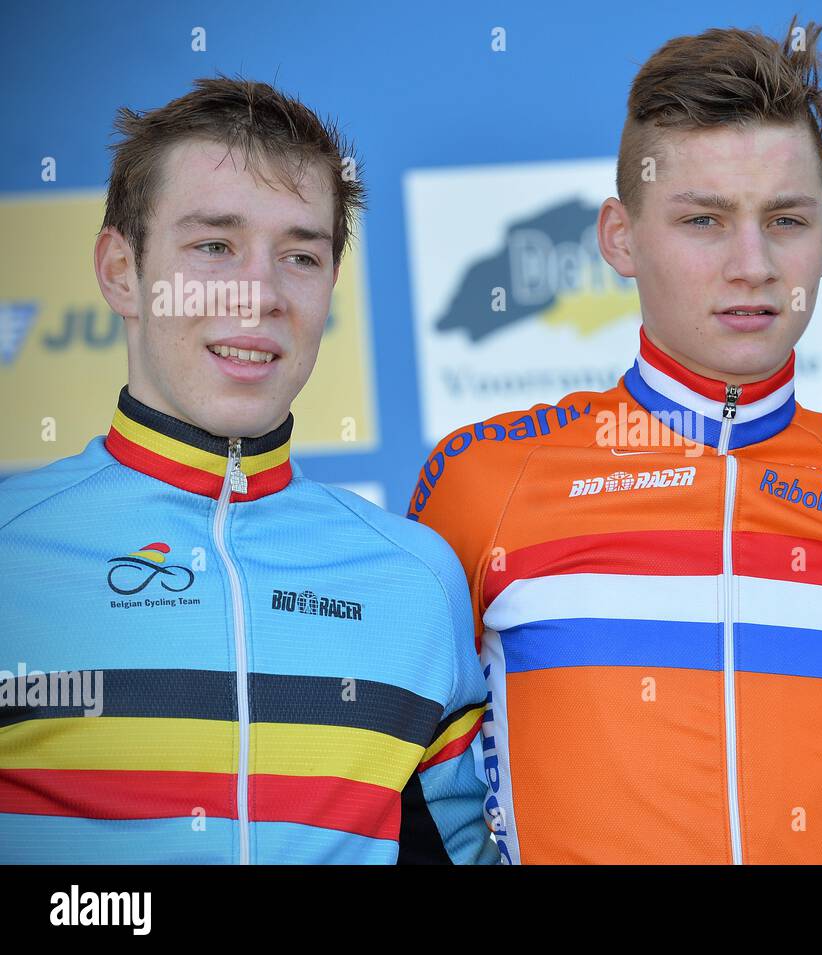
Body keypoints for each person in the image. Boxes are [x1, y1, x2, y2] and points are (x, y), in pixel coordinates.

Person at [408, 20, 822, 864]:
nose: (753, 264)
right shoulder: (484, 481)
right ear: (620, 237)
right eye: (704, 220)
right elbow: (422, 811)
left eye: (786, 219)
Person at [0, 77, 495, 864]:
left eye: (300, 255)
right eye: (214, 246)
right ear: (121, 272)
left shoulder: (415, 581)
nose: (258, 294)